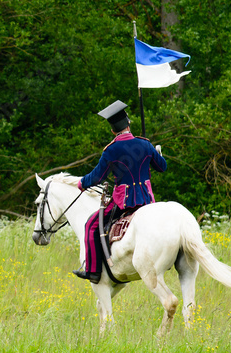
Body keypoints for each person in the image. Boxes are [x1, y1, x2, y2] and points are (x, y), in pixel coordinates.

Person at [71, 100, 166, 283]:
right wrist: (156, 152)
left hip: (125, 202)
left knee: (91, 226)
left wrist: (82, 183)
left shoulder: (111, 150)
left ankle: (93, 271)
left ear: (112, 130)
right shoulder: (145, 144)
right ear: (128, 123)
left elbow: (97, 177)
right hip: (147, 199)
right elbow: (162, 167)